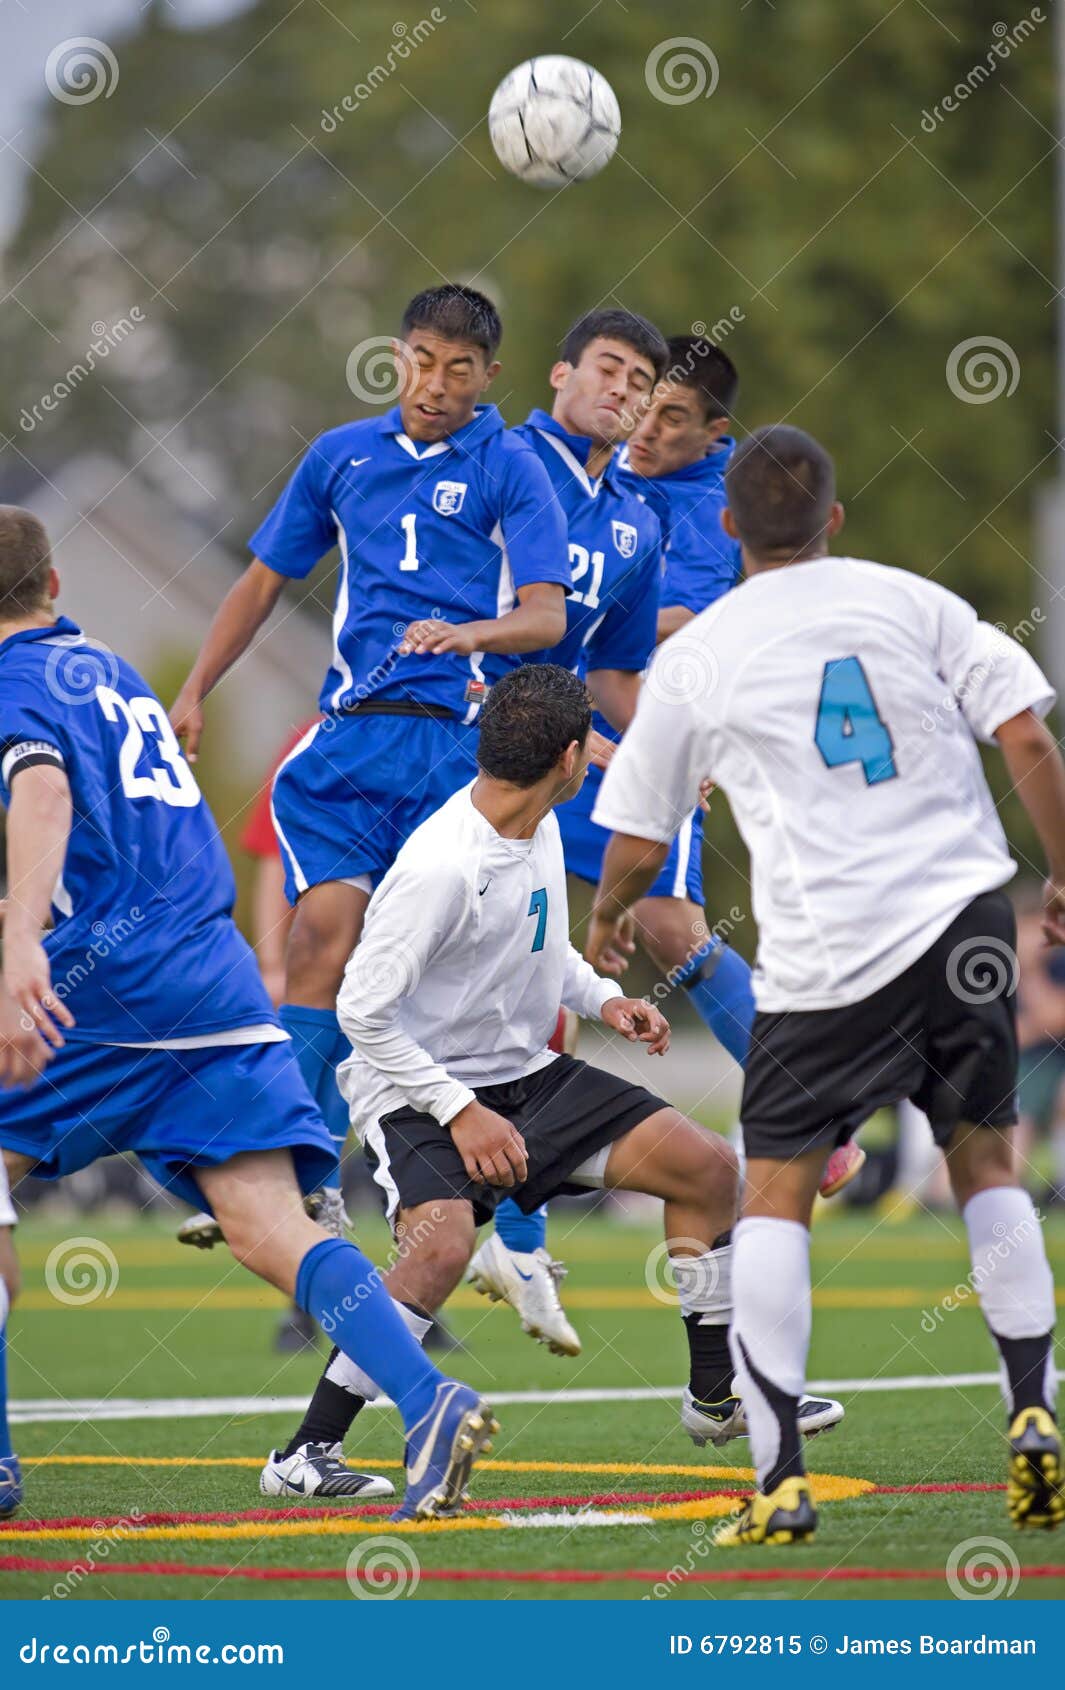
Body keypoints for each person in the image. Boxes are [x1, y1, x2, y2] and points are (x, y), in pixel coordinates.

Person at [589, 424, 1064, 1544]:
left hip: (829, 952)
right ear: (834, 520)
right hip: (966, 921)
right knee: (989, 1161)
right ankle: (1034, 1413)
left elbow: (641, 836)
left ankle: (780, 1477)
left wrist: (610, 914)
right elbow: (1028, 740)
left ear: (727, 527)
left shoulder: (700, 653)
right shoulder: (915, 601)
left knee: (776, 1198)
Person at [0, 507, 497, 1521]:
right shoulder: (111, 675)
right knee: (265, 1219)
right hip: (210, 974)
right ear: (55, 583)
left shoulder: (9, 688)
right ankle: (426, 1397)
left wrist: (19, 947)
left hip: (100, 982)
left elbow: (42, 798)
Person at [258, 665, 842, 1497]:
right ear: (569, 757)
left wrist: (606, 999)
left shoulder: (536, 822)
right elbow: (361, 1012)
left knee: (708, 1168)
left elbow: (543, 945)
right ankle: (302, 1455)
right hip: (416, 1090)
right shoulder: (440, 867)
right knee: (442, 1249)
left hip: (526, 1075)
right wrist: (460, 1114)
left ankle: (715, 1397)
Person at [168, 283, 571, 1251]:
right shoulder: (340, 456)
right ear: (398, 356)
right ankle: (295, 1172)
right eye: (421, 360)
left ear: (491, 377)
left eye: (459, 368)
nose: (436, 384)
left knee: (472, 976)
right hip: (351, 742)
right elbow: (264, 581)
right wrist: (194, 689)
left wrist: (466, 632)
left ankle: (518, 1220)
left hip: (449, 750)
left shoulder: (511, 464)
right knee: (320, 940)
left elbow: (549, 617)